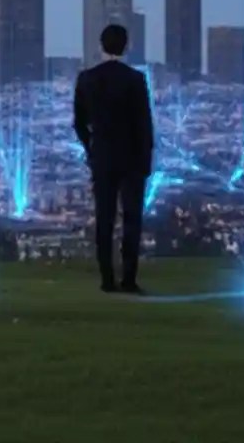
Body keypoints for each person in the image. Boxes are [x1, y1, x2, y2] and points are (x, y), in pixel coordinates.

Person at [73, 24, 155, 294]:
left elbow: (79, 123)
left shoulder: (86, 79)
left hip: (103, 158)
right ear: (126, 46)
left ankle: (107, 279)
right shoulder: (135, 80)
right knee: (132, 219)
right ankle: (129, 279)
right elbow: (144, 124)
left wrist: (91, 147)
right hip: (131, 158)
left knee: (104, 218)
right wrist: (145, 159)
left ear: (101, 45)